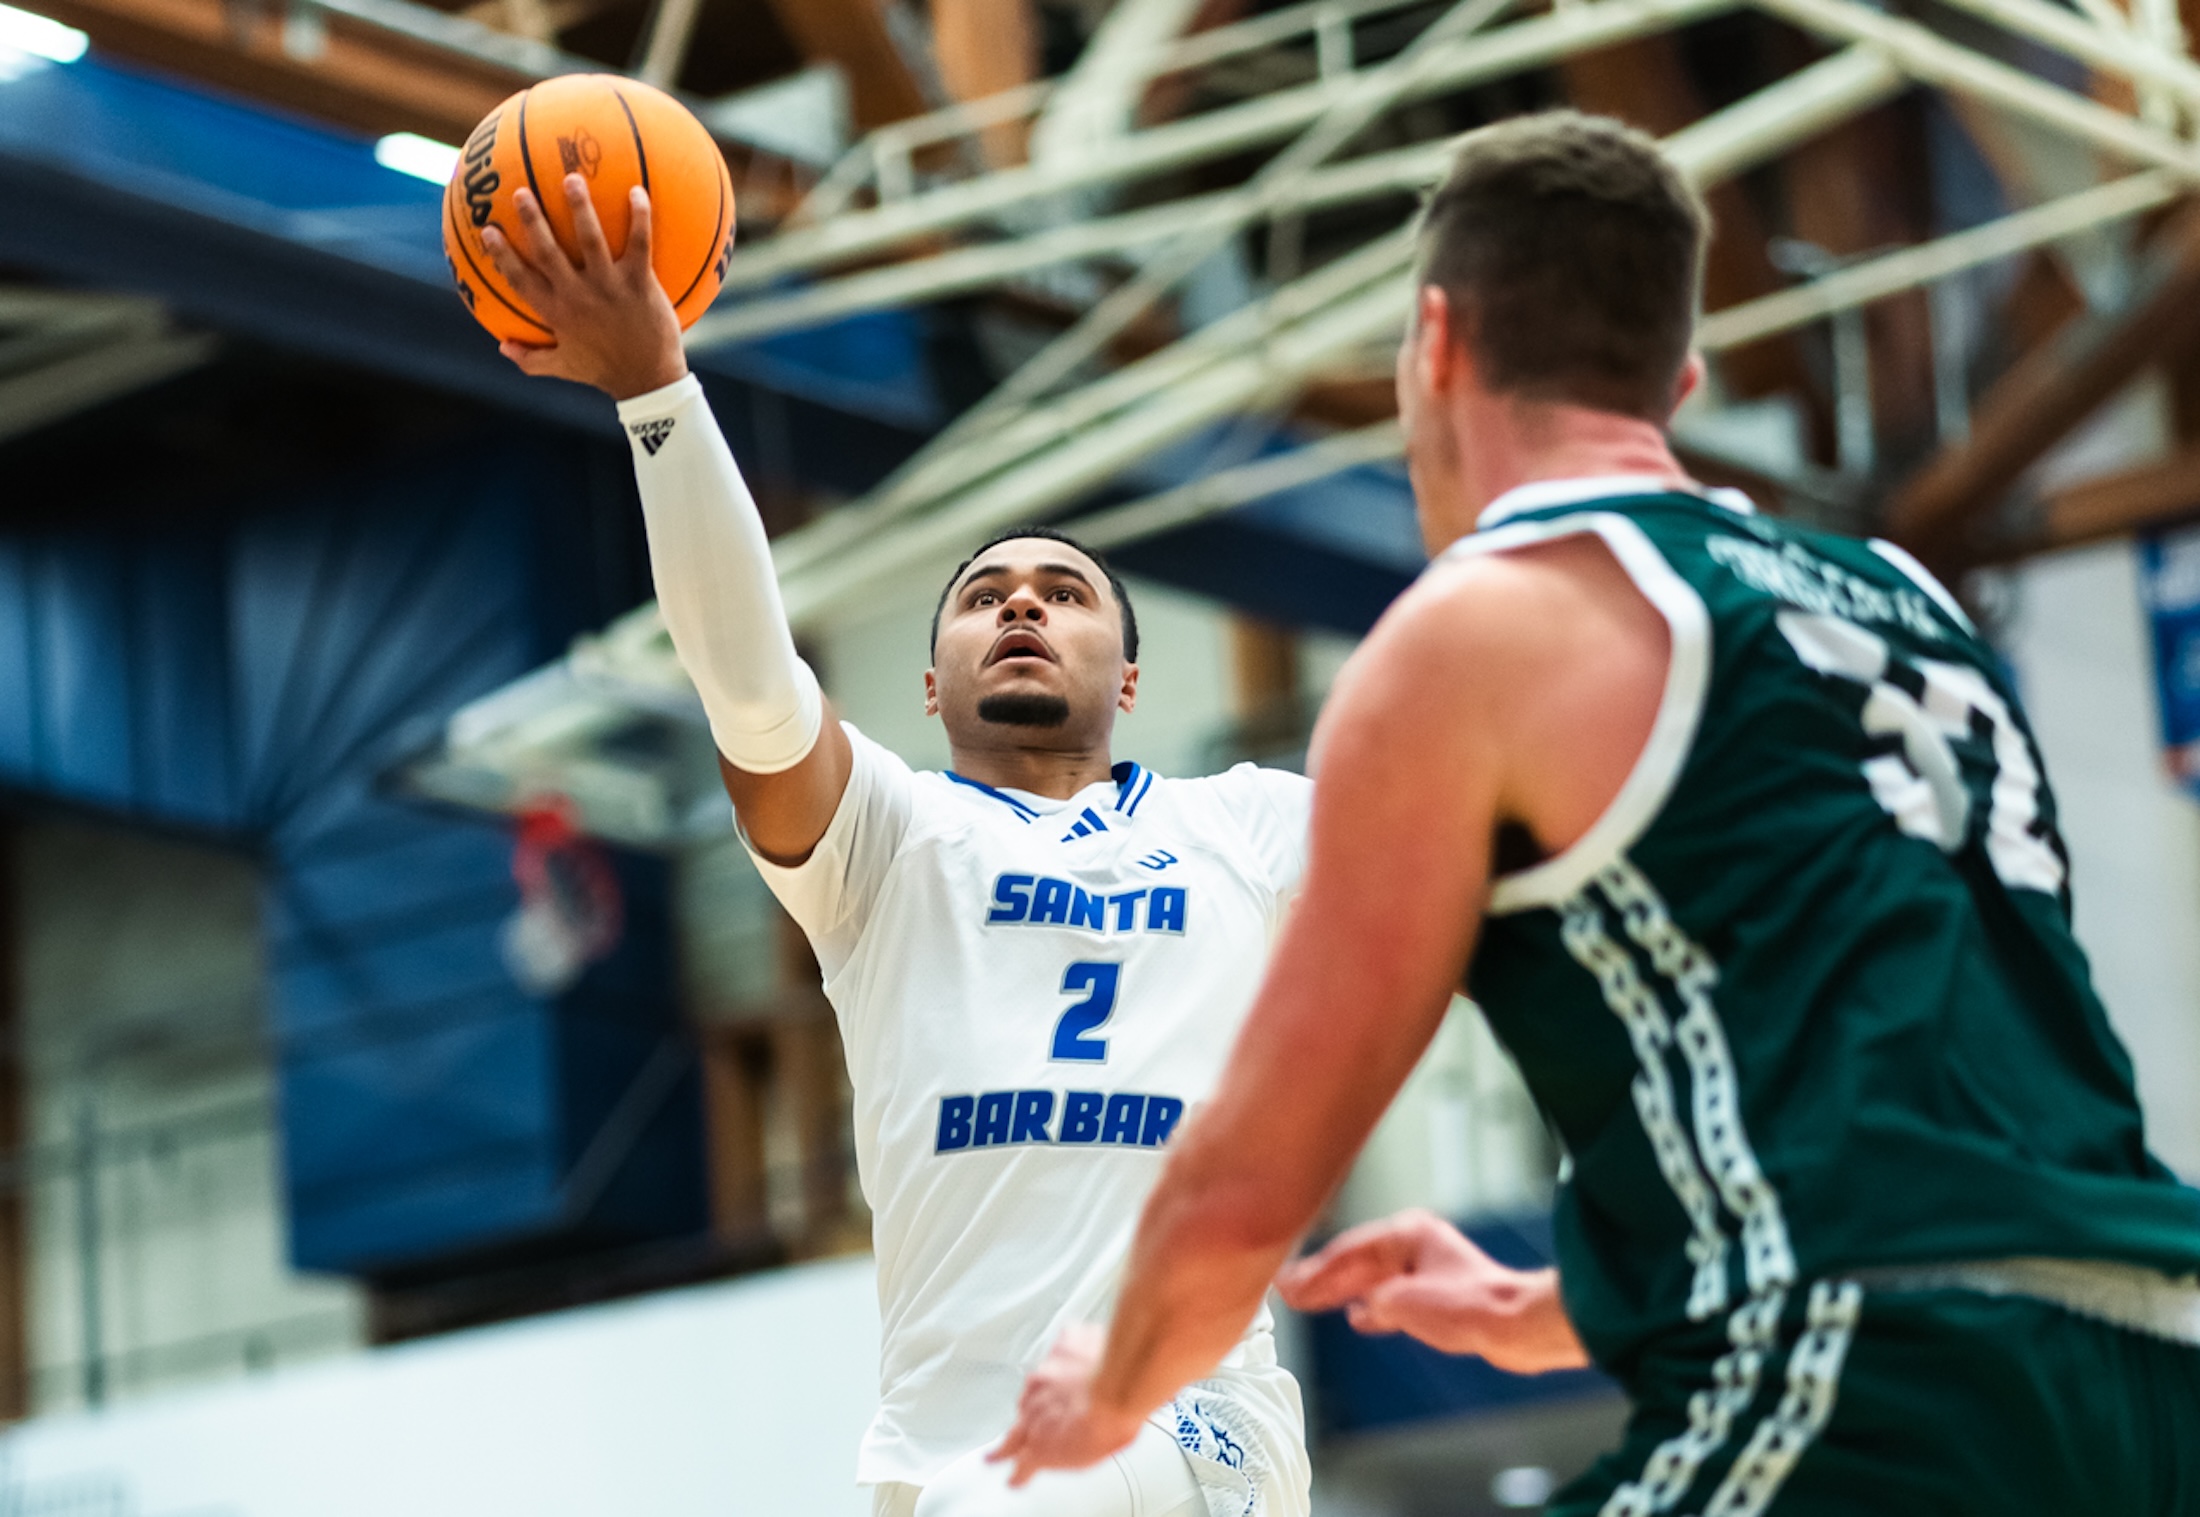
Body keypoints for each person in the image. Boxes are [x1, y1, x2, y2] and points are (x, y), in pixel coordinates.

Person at [994, 109, 2200, 1514]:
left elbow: (1249, 1179)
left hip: (1876, 1374)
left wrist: (1111, 1386)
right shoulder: (1908, 603)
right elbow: (1925, 1107)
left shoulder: (1479, 629)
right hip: (2154, 1368)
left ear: (1435, 343)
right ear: (1677, 378)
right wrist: (1552, 1305)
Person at [480, 174, 1314, 1517]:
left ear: (1129, 674)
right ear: (930, 687)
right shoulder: (887, 837)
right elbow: (751, 686)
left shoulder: (1248, 823)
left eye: (1064, 593)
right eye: (984, 598)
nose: (1023, 605)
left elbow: (1488, 833)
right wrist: (656, 395)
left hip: (1191, 1416)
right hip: (938, 1454)